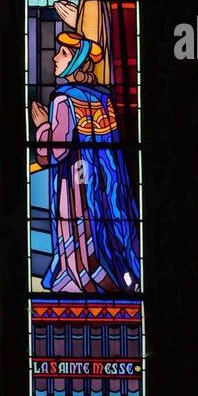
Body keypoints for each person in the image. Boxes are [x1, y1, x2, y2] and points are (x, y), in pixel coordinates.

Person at [30, 30, 140, 295]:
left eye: (64, 54)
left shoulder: (63, 98)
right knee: (99, 222)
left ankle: (77, 275)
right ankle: (113, 273)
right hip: (101, 177)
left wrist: (42, 125)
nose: (55, 58)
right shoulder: (103, 97)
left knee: (77, 222)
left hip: (74, 179)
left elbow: (56, 151)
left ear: (77, 62)